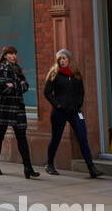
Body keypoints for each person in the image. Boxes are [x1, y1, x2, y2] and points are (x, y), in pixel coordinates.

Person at [43, 49, 103, 179]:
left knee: (82, 136)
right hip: (59, 112)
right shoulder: (55, 74)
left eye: (64, 58)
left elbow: (81, 92)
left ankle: (91, 168)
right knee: (56, 138)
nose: (62, 61)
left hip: (75, 111)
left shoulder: (76, 75)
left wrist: (78, 104)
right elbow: (47, 93)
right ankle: (49, 164)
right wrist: (57, 105)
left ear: (69, 60)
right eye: (60, 59)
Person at [0, 46, 38, 179]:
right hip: (3, 108)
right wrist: (16, 85)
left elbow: (26, 86)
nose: (14, 56)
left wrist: (13, 85)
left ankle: (28, 168)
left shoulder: (18, 69)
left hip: (17, 108)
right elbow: (1, 87)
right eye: (10, 53)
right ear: (5, 55)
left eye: (15, 53)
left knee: (22, 138)